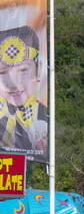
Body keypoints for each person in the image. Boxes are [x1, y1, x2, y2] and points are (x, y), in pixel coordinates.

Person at [0, 25, 48, 156]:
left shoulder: (45, 118)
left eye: (23, 70)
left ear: (38, 69)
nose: (13, 83)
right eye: (3, 72)